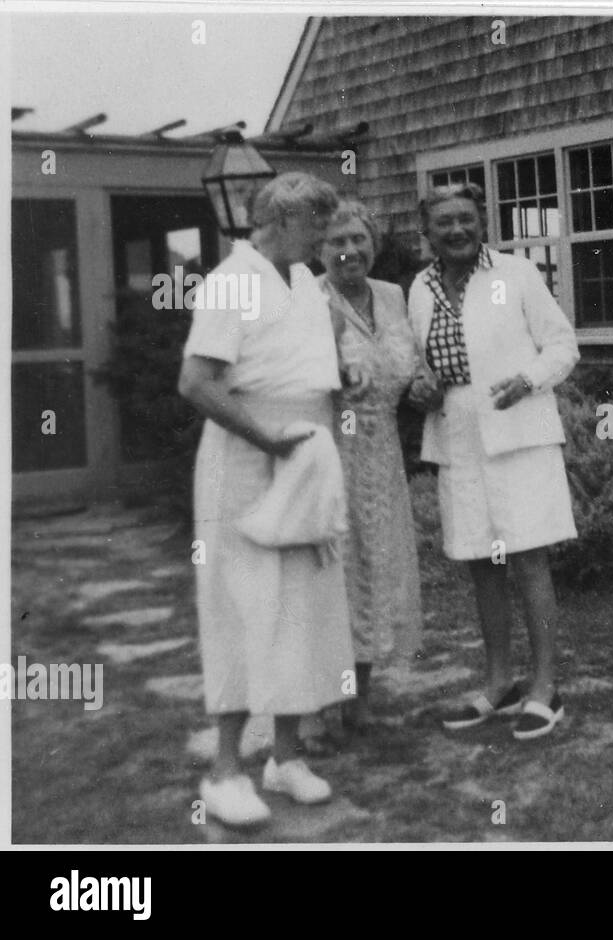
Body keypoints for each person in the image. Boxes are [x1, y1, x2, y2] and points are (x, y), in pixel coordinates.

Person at [178, 172, 354, 827]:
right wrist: (268, 438)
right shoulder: (231, 282)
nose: (326, 237)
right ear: (278, 222)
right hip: (246, 459)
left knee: (304, 609)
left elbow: (313, 371)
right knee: (240, 607)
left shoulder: (307, 281)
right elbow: (197, 384)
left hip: (305, 458)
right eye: (316, 225)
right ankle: (225, 770)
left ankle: (285, 757)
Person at [408, 183, 579, 740]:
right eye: (443, 223)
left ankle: (545, 686)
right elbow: (420, 363)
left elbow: (563, 346)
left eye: (465, 219)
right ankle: (500, 681)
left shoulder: (515, 274)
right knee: (482, 561)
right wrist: (422, 387)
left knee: (528, 558)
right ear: (427, 231)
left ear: (482, 220)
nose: (455, 230)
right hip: (457, 434)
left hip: (518, 429)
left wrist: (528, 380)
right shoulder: (421, 287)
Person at [310, 198, 425, 743]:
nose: (349, 251)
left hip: (383, 456)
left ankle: (359, 700)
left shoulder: (393, 296)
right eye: (337, 242)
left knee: (376, 570)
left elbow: (410, 366)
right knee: (333, 575)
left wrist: (424, 386)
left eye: (359, 240)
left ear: (374, 246)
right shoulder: (308, 300)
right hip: (330, 450)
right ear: (319, 249)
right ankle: (319, 709)